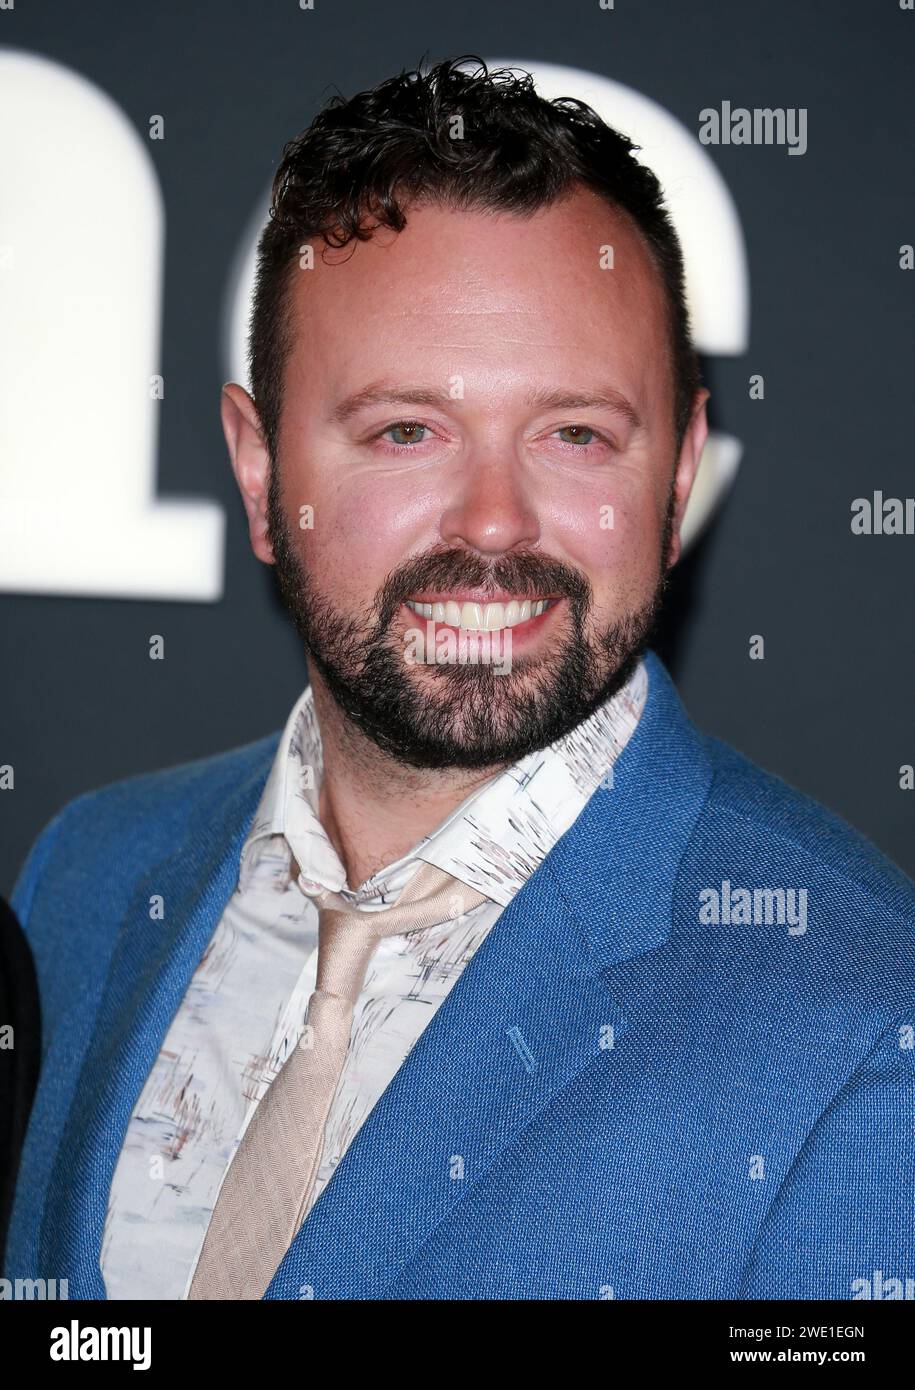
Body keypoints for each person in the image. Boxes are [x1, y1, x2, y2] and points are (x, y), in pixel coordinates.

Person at [5, 55, 914, 1301]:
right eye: (405, 432)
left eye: (576, 434)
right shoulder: (87, 878)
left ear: (680, 473)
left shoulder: (864, 1015)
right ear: (262, 474)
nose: (494, 523)